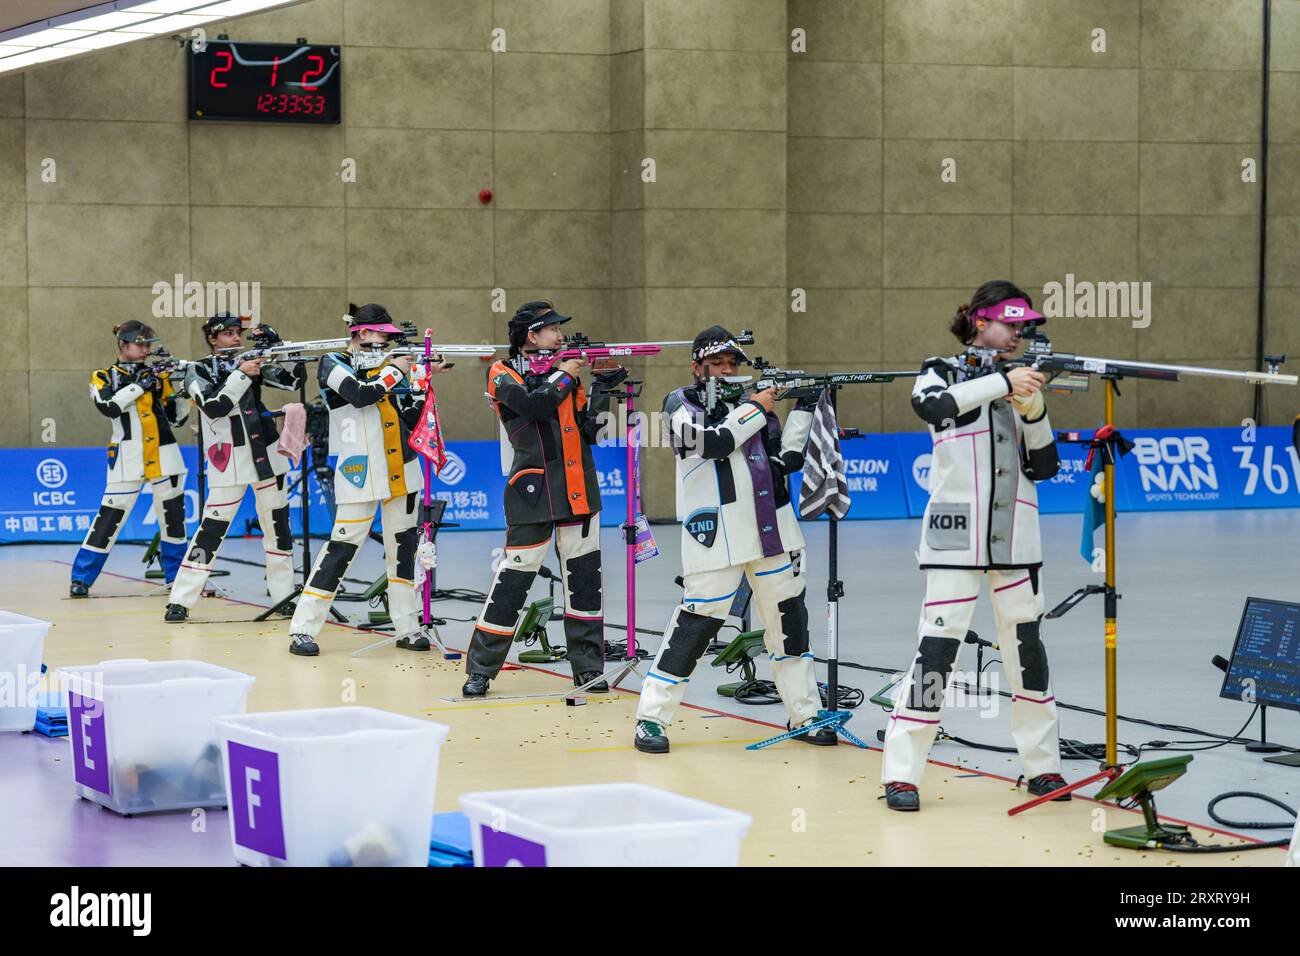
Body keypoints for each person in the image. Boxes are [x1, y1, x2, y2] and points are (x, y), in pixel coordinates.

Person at [881, 280, 1067, 811]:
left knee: (1027, 654)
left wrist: (1033, 409)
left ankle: (1043, 767)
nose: (1019, 334)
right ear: (981, 321)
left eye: (1025, 327)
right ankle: (901, 773)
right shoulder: (940, 368)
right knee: (936, 653)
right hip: (953, 536)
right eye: (1012, 323)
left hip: (1018, 539)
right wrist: (1000, 383)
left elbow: (1046, 467)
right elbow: (930, 407)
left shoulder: (1023, 380)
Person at [633, 325, 832, 753]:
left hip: (773, 530)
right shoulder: (679, 403)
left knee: (790, 626)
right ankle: (651, 717)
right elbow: (713, 443)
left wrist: (804, 407)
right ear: (696, 367)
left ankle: (806, 714)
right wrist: (757, 407)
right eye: (716, 363)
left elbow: (786, 461)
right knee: (696, 625)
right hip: (715, 535)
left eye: (731, 363)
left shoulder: (753, 405)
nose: (726, 370)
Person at [461, 301, 622, 697]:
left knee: (585, 583)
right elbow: (534, 406)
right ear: (531, 336)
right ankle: (480, 669)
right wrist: (565, 374)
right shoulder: (501, 372)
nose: (560, 335)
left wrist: (603, 388)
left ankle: (588, 669)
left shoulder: (566, 376)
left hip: (579, 491)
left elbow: (593, 433)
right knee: (513, 581)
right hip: (530, 493)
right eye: (553, 329)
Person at [286, 304, 447, 656]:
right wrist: (395, 369)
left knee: (402, 552)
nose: (386, 342)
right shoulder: (333, 363)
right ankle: (302, 628)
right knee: (340, 550)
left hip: (402, 471)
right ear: (361, 333)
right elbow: (360, 394)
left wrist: (420, 384)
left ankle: (407, 626)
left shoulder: (388, 369)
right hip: (359, 473)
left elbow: (411, 419)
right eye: (381, 335)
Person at [164, 314, 305, 622]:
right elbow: (214, 406)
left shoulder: (249, 361)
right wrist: (241, 374)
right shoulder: (197, 369)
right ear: (212, 339)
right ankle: (181, 599)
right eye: (228, 333)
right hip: (227, 459)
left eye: (237, 333)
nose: (236, 338)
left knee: (278, 529)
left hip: (268, 456)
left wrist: (279, 348)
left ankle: (283, 595)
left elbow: (295, 381)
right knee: (211, 531)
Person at [70, 321, 189, 596]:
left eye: (148, 344)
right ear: (123, 344)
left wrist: (178, 384)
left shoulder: (157, 375)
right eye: (140, 344)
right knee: (109, 518)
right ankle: (81, 578)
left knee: (173, 520)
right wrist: (139, 386)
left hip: (165, 455)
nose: (146, 349)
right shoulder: (103, 376)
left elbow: (177, 418)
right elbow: (108, 407)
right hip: (127, 457)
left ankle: (178, 579)